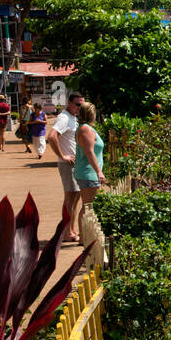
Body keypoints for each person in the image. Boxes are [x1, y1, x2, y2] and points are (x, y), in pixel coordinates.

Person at [49, 93, 83, 242]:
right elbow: (52, 136)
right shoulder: (64, 118)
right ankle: (66, 232)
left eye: (81, 104)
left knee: (75, 197)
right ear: (69, 103)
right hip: (67, 164)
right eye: (77, 104)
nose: (79, 107)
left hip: (73, 163)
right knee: (70, 198)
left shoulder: (73, 118)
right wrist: (63, 156)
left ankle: (71, 229)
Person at [73, 101, 106, 243]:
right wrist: (99, 171)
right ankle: (83, 236)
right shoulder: (85, 129)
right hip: (88, 172)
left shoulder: (85, 128)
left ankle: (83, 235)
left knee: (88, 205)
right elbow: (89, 152)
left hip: (87, 172)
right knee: (88, 206)